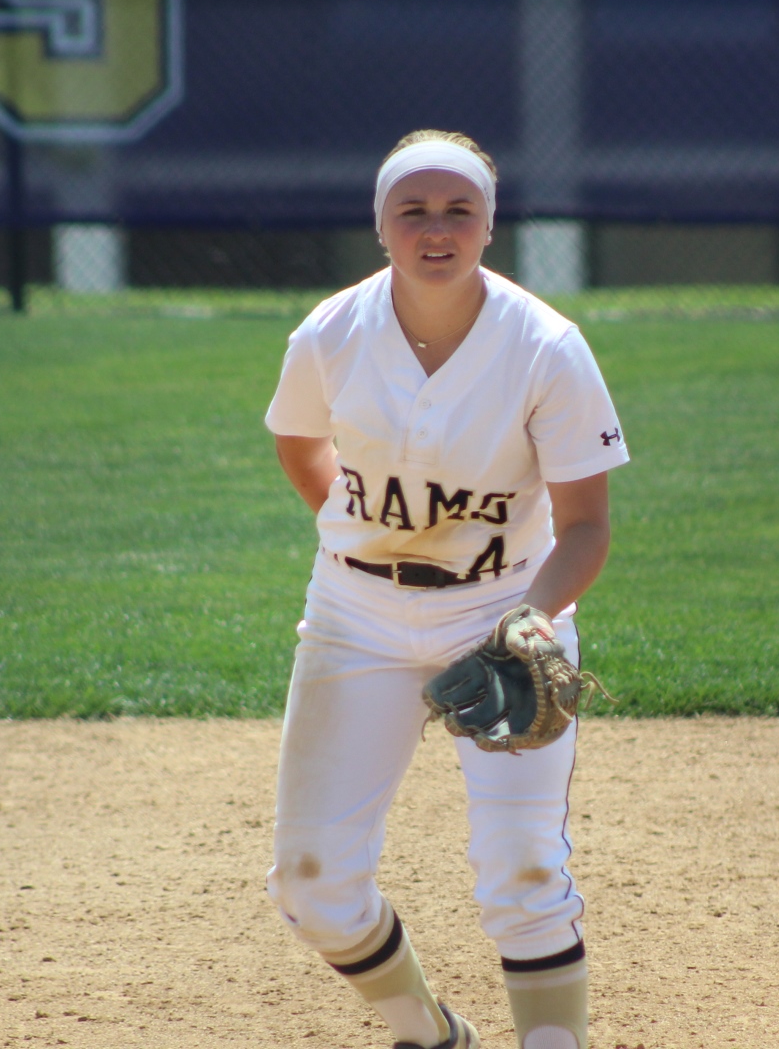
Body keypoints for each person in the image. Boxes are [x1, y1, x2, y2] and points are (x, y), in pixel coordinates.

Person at [263, 129, 629, 1049]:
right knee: (312, 887)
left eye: (458, 210)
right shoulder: (332, 332)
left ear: (489, 226)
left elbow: (585, 527)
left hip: (501, 609)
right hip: (355, 615)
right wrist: (355, 534)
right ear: (381, 227)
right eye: (412, 211)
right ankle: (431, 1037)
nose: (436, 229)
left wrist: (529, 623)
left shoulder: (546, 346)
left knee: (522, 872)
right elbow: (300, 442)